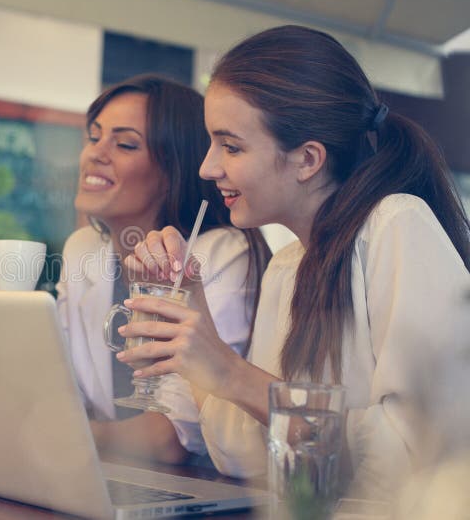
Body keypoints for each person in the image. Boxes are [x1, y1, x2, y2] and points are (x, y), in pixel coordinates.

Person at [116, 26, 470, 495]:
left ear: (307, 159)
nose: (207, 167)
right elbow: (245, 455)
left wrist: (231, 371)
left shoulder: (396, 224)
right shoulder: (288, 266)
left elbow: (425, 453)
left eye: (231, 145)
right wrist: (193, 321)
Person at [57, 74, 270, 464]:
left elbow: (170, 438)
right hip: (111, 474)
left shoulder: (222, 253)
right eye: (94, 136)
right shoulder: (81, 248)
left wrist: (60, 436)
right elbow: (60, 386)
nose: (95, 154)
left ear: (173, 168)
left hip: (205, 484)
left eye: (124, 144)